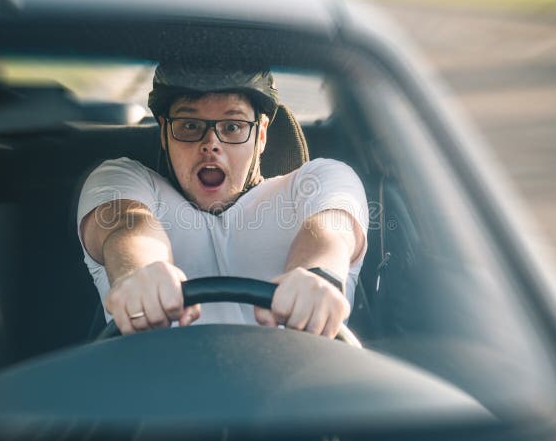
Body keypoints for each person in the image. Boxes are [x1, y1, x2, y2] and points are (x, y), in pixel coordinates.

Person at [78, 64, 368, 338]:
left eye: (232, 127)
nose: (211, 144)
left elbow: (332, 230)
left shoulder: (320, 179)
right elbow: (126, 227)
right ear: (165, 133)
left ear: (262, 134)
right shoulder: (122, 178)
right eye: (190, 125)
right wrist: (138, 272)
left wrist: (316, 273)